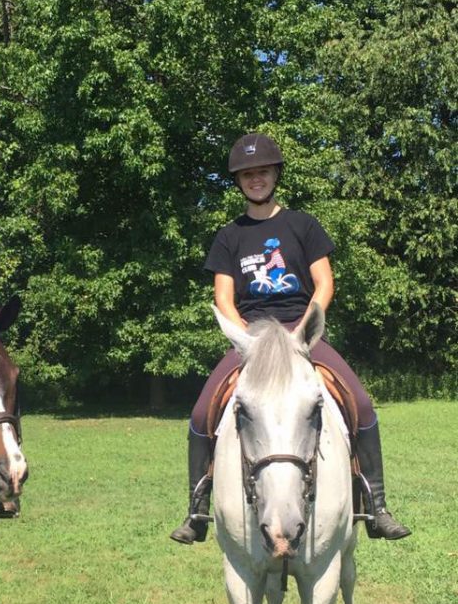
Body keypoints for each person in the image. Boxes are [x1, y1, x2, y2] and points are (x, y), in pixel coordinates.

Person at [170, 132, 411, 545]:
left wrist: (302, 331)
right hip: (252, 340)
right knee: (199, 414)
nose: (255, 180)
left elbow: (324, 283)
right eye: (247, 175)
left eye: (262, 172)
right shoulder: (229, 236)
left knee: (363, 404)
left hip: (303, 335)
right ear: (238, 182)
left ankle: (377, 505)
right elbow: (223, 297)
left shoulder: (303, 225)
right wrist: (250, 341)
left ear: (275, 175)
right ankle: (197, 509)